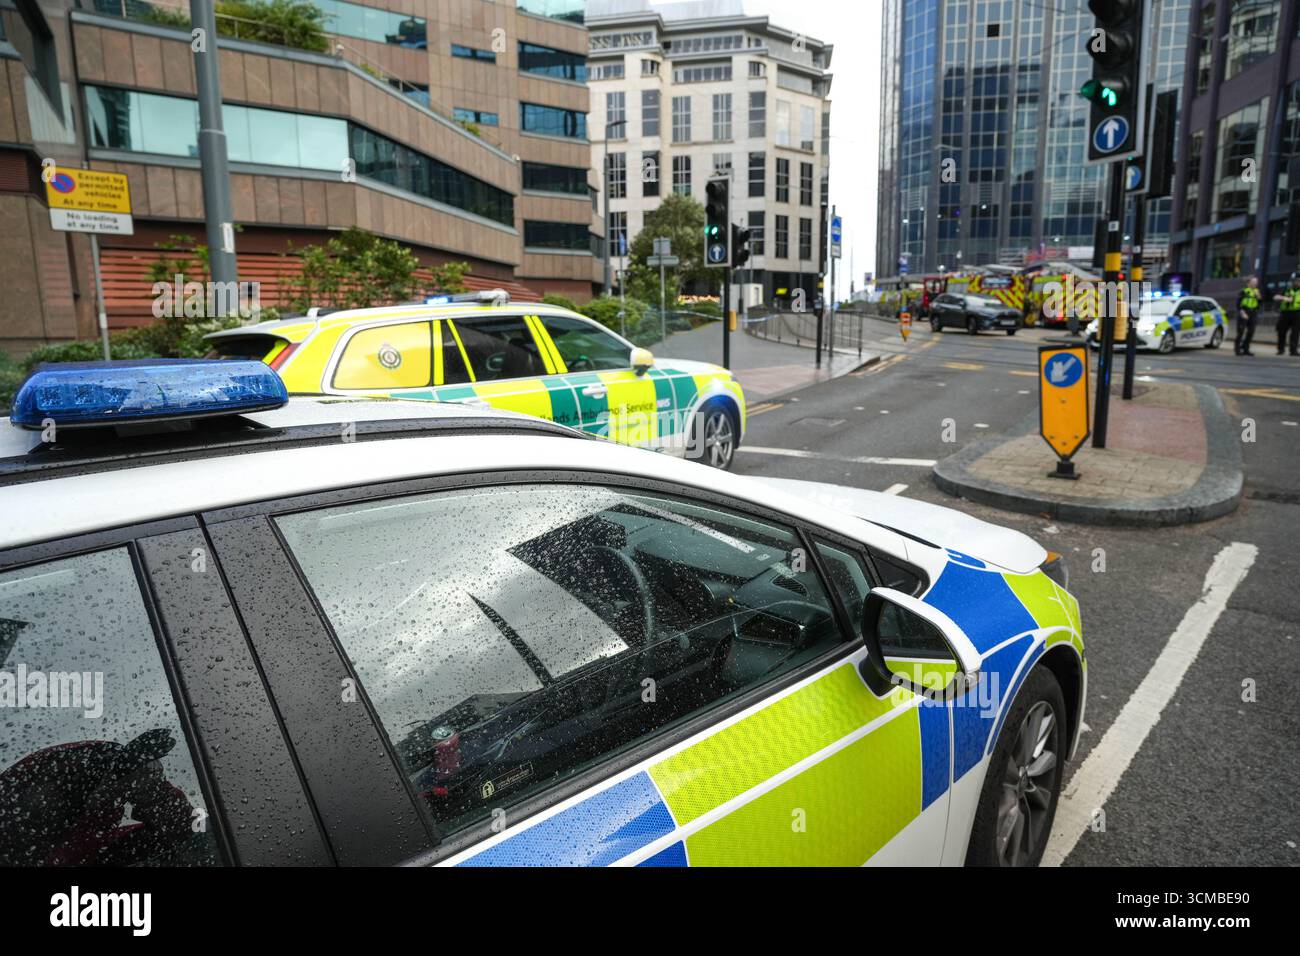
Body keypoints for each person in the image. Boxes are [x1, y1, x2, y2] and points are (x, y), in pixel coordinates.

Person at [1274, 274, 1300, 356]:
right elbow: (1275, 297)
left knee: (1295, 333)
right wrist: (1285, 298)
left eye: (1298, 281)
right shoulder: (1286, 289)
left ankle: (1293, 350)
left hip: (1297, 313)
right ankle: (1281, 349)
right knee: (1281, 331)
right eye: (1296, 280)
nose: (1297, 282)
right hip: (1285, 313)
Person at [1235, 276, 1261, 356]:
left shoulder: (1257, 291)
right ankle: (1237, 349)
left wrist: (1258, 297)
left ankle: (1246, 349)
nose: (1255, 284)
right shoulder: (1243, 291)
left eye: (1256, 282)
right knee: (1241, 332)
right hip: (1244, 312)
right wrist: (1242, 312)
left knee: (1251, 331)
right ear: (1248, 283)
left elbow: (1260, 303)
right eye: (1253, 282)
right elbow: (1238, 304)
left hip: (1253, 313)